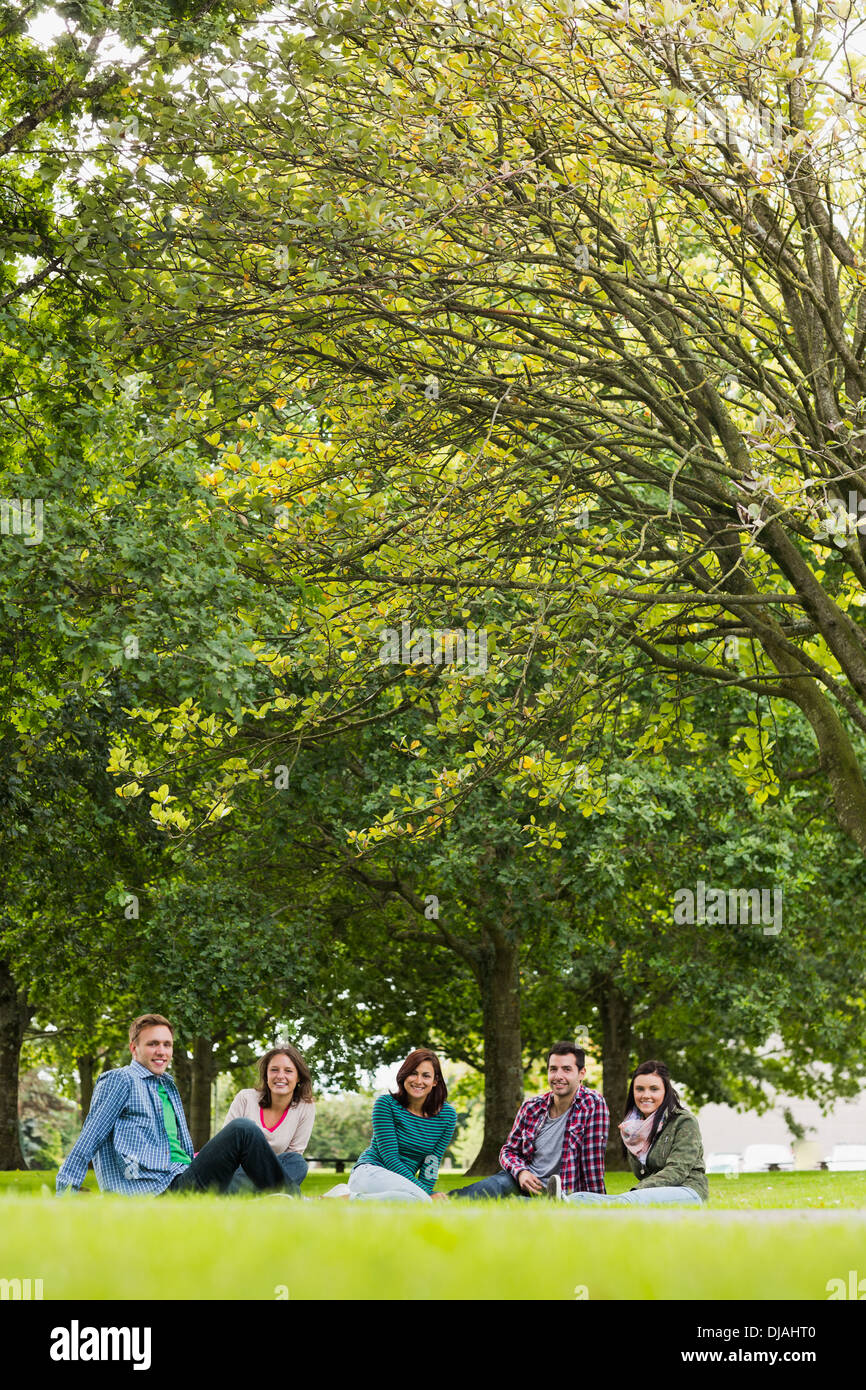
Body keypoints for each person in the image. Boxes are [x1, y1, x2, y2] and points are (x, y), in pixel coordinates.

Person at [56, 1014, 290, 1196]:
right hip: (160, 1190)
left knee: (292, 1162)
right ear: (133, 1048)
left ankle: (264, 1193)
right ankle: (293, 1200)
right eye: (153, 1044)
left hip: (185, 1173)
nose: (162, 1052)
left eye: (167, 1045)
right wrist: (65, 1189)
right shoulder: (121, 1079)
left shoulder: (167, 1084)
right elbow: (90, 1136)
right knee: (243, 1129)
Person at [448, 1042, 609, 1200]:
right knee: (493, 1186)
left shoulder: (593, 1104)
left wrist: (597, 1201)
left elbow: (592, 1162)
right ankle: (441, 1200)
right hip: (523, 1182)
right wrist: (521, 1172)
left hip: (561, 1193)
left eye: (567, 1069)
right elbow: (508, 1151)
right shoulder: (531, 1107)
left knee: (509, 1204)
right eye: (553, 1069)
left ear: (581, 1073)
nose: (558, 1076)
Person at [563, 1060, 708, 1206]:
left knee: (626, 1201)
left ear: (665, 1091)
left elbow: (678, 1170)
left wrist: (638, 1190)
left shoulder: (684, 1122)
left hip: (687, 1190)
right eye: (639, 1089)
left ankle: (571, 1202)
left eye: (654, 1089)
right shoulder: (632, 1129)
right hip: (649, 1192)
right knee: (580, 1196)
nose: (646, 1095)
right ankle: (564, 1200)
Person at [325, 1049, 457, 1202]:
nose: (418, 1081)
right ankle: (342, 1198)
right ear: (404, 1075)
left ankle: (341, 1197)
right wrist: (426, 1194)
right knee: (424, 1201)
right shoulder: (386, 1104)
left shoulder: (447, 1115)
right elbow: (390, 1158)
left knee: (414, 1200)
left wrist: (424, 1191)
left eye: (426, 1076)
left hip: (402, 1184)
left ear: (435, 1081)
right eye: (413, 1073)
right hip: (370, 1172)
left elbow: (432, 1161)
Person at [223, 1043, 314, 1195]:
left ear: (298, 1077)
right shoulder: (245, 1098)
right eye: (274, 1070)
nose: (280, 1076)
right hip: (239, 1168)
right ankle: (281, 1193)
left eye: (288, 1071)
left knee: (298, 1164)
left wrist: (265, 1171)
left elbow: (293, 1153)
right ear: (266, 1075)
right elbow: (227, 1145)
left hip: (275, 1168)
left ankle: (249, 1194)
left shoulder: (305, 1107)